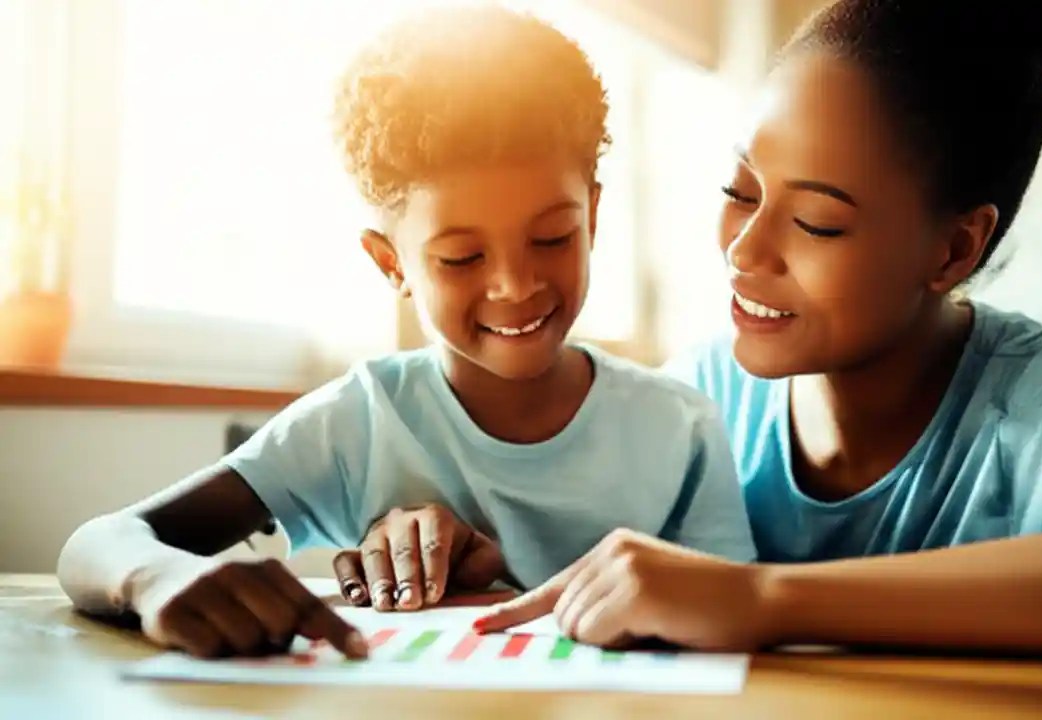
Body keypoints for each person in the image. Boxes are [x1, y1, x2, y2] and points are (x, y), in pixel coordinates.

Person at [461, 0, 1042, 653]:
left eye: (816, 221)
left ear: (954, 248)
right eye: (740, 190)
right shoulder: (696, 398)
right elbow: (565, 538)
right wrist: (453, 541)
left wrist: (768, 600)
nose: (745, 249)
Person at [55, 6, 753, 660]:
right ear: (392, 264)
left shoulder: (681, 428)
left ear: (593, 217)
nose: (515, 284)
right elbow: (97, 543)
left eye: (552, 236)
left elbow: (737, 622)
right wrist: (154, 579)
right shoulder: (361, 422)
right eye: (461, 258)